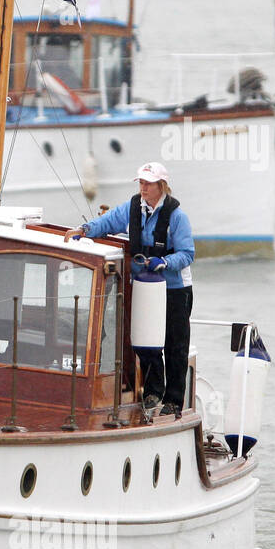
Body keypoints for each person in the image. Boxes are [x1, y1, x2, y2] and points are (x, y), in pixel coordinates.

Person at [64, 161, 195, 416]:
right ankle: (153, 391)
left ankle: (173, 401)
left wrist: (165, 262)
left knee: (175, 345)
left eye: (148, 183)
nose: (143, 188)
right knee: (144, 341)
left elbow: (187, 254)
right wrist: (85, 230)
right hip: (144, 286)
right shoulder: (134, 208)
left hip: (175, 289)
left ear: (161, 186)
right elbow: (109, 221)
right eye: (141, 183)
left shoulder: (177, 217)